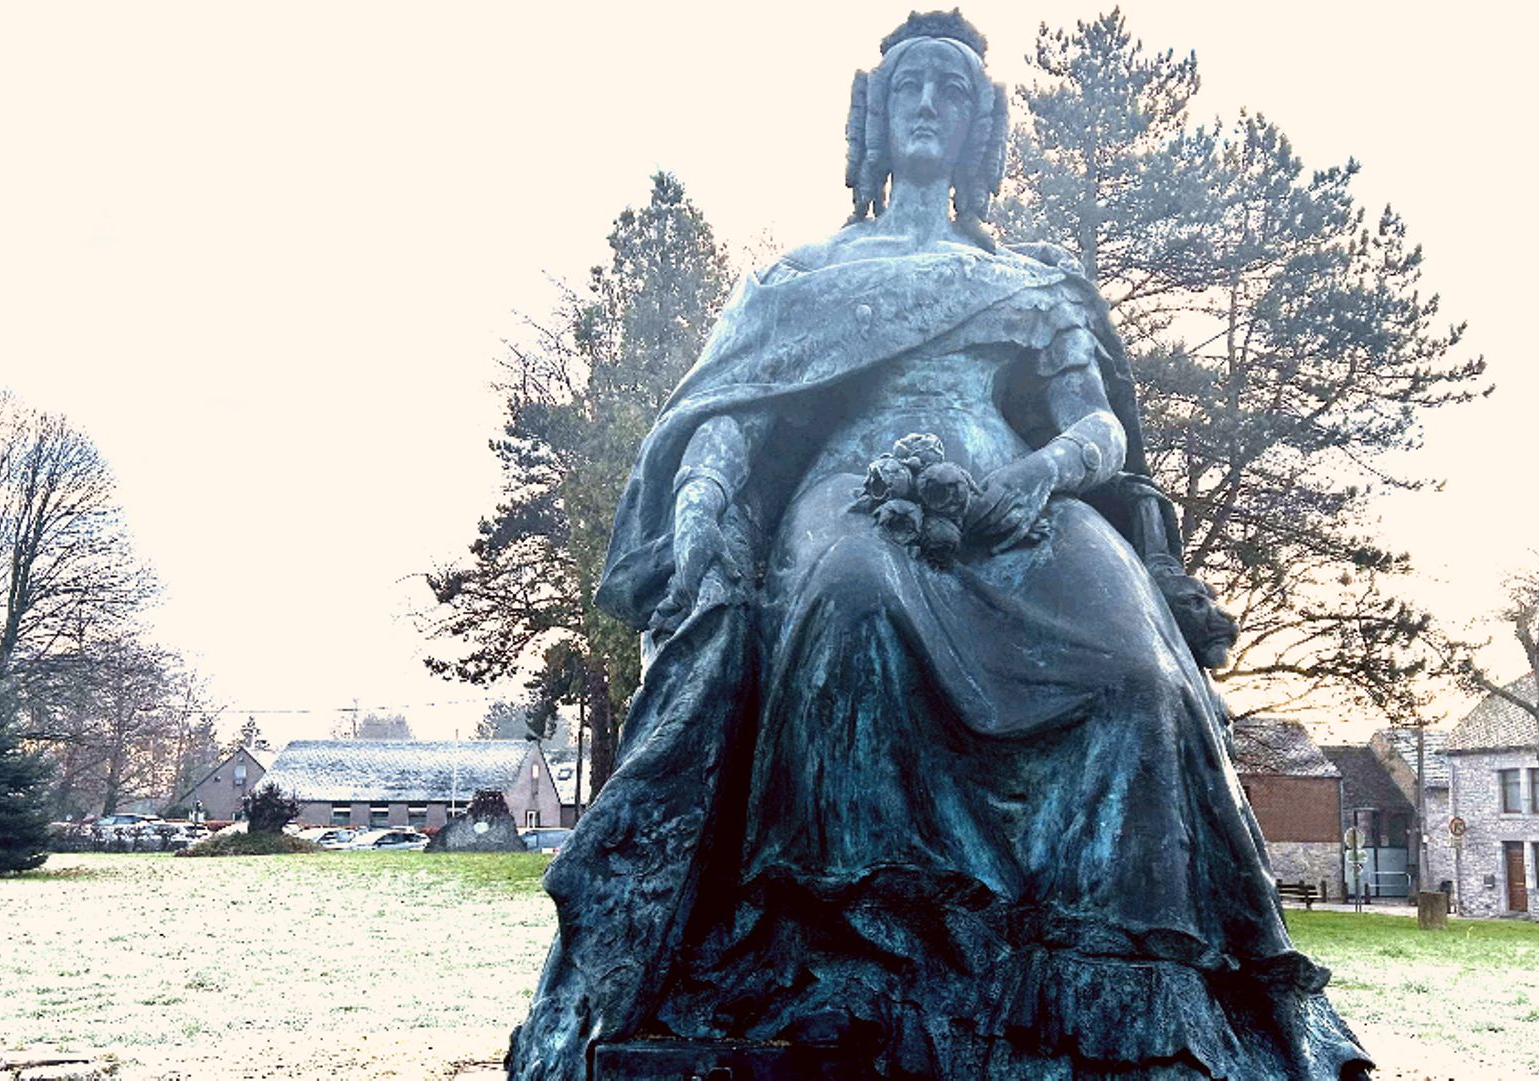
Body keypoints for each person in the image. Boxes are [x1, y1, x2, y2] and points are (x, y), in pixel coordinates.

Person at [510, 13, 1370, 1080]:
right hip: (855, 496)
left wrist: (1038, 478)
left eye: (953, 91)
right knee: (851, 609)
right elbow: (734, 417)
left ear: (981, 130)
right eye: (910, 85)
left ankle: (1116, 993)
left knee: (1138, 672)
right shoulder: (804, 280)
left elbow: (1096, 427)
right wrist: (698, 508)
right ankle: (852, 956)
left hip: (1017, 502)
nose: (929, 103)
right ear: (873, 119)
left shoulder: (1034, 283)